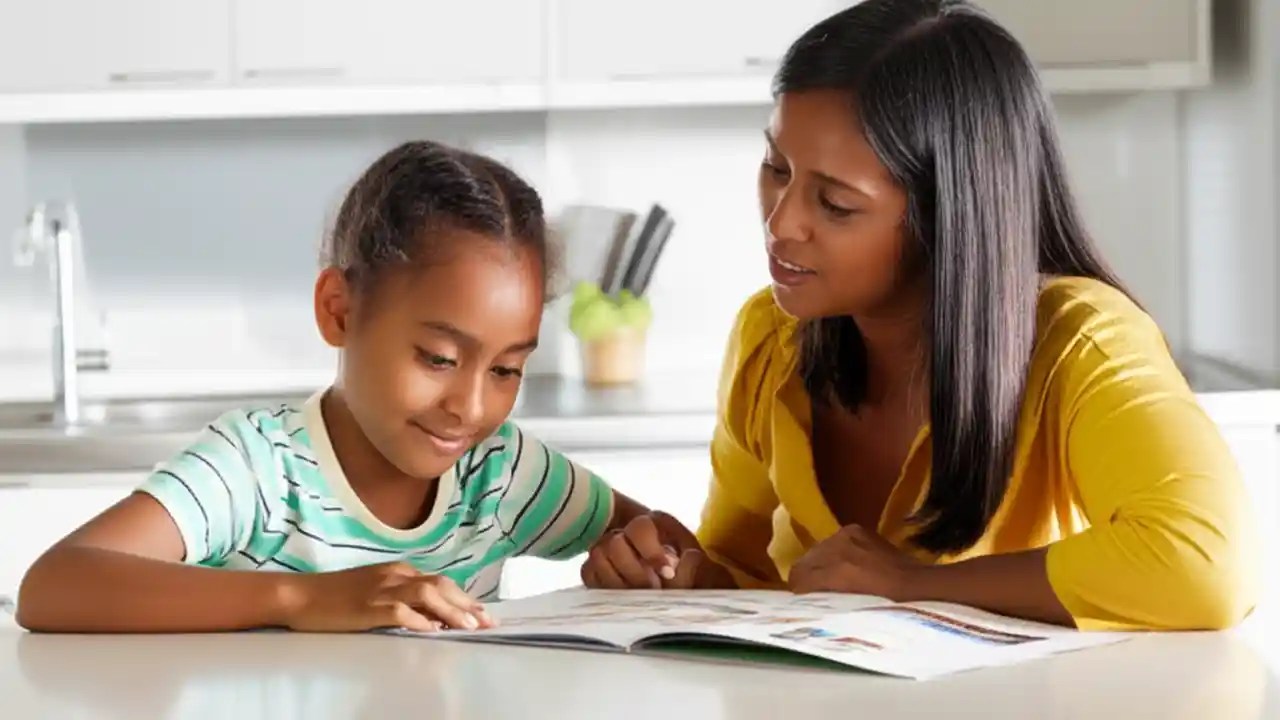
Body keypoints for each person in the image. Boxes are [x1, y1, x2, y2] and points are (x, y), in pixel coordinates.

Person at [581, 0, 1259, 631]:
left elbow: (1208, 566)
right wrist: (678, 574)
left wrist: (911, 585)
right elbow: (748, 578)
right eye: (775, 166)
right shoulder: (770, 337)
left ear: (948, 216)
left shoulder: (1081, 341)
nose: (781, 223)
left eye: (837, 205)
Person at [18, 140, 648, 634]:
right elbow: (55, 584)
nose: (470, 407)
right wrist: (302, 598)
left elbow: (651, 534)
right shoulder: (258, 469)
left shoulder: (501, 473)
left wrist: (646, 554)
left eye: (506, 370)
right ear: (339, 311)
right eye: (437, 357)